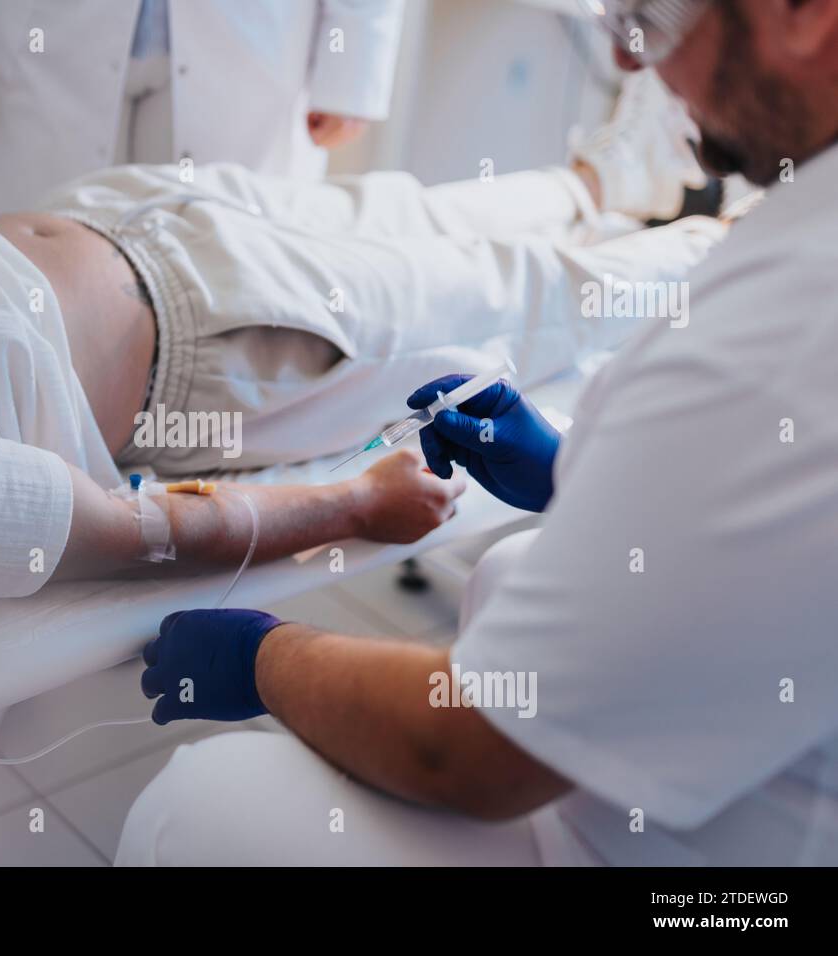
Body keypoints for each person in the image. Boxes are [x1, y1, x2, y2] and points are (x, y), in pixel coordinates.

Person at [118, 0, 838, 866]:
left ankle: (589, 190)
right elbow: (755, 511)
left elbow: (461, 749)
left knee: (202, 807)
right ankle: (588, 190)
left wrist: (265, 657)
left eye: (654, 15)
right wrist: (576, 471)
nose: (627, 53)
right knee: (445, 262)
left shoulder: (788, 329)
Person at [0, 61, 722, 610]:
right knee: (516, 292)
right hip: (219, 347)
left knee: (420, 215)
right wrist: (353, 506)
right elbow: (136, 531)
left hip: (127, 213)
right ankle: (742, 255)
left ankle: (606, 183)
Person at [0, 0, 406, 213]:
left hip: (252, 51)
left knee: (221, 292)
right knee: (23, 276)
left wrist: (355, 64)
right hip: (47, 40)